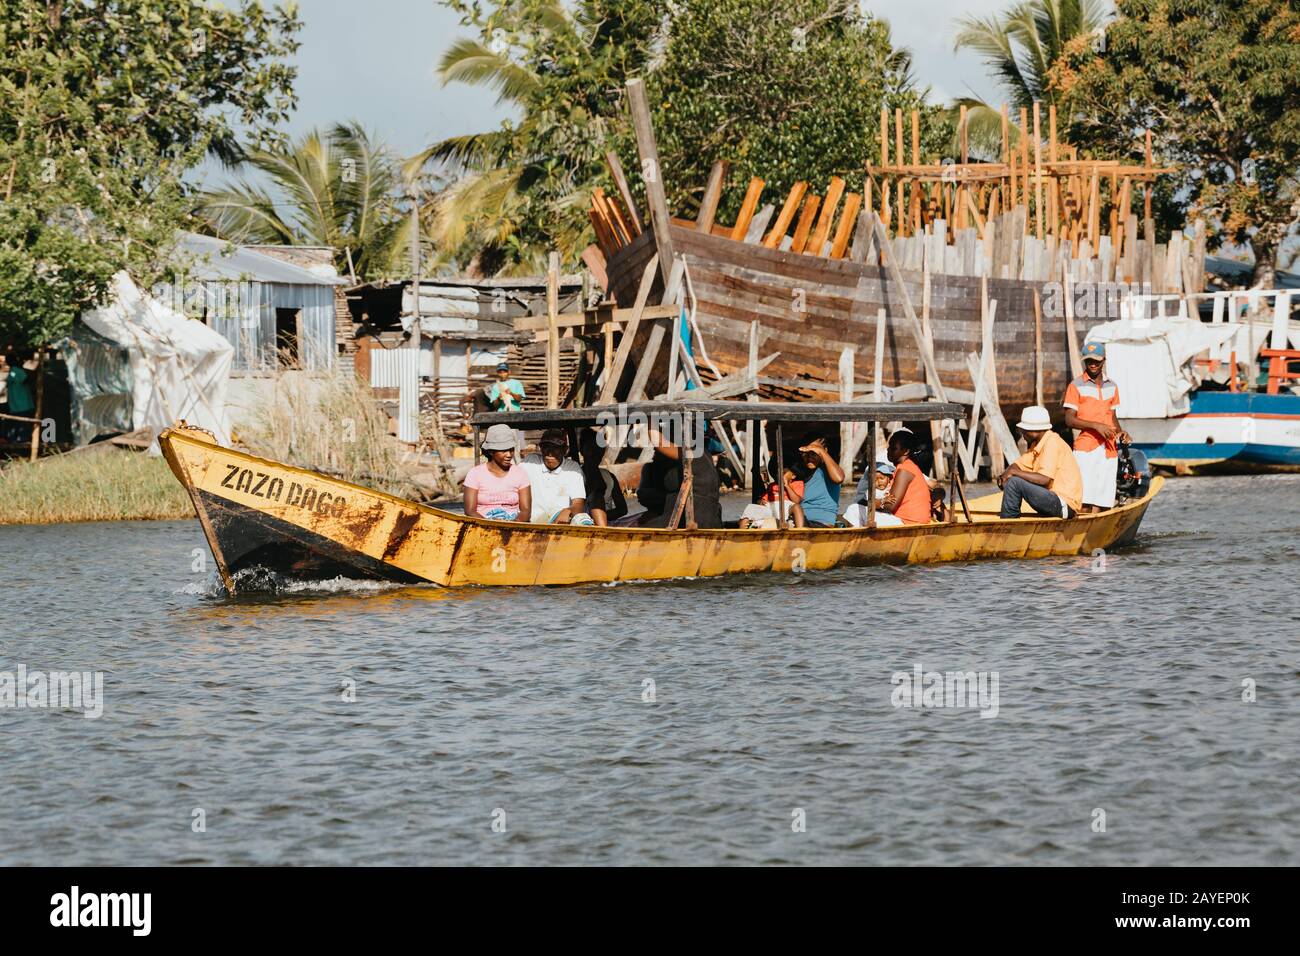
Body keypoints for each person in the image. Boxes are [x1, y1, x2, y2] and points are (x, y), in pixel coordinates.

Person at [1063, 341, 1128, 512]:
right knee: (1084, 500)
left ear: (1104, 360)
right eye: (1089, 360)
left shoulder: (1112, 386)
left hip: (1109, 448)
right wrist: (1095, 426)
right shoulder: (1075, 385)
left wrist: (1121, 433)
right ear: (1084, 361)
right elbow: (1069, 420)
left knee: (1103, 500)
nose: (1093, 364)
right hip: (1086, 448)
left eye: (1096, 361)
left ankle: (1097, 530)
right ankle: (1083, 531)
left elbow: (1112, 416)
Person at [997, 405, 1083, 519]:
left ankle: (1008, 522)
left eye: (1024, 431)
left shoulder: (1052, 443)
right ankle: (1009, 519)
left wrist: (1014, 473)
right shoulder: (1036, 444)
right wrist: (1004, 476)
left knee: (1015, 483)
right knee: (1013, 480)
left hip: (1065, 505)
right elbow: (1017, 465)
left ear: (1033, 431)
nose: (1022, 435)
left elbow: (1044, 480)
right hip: (1053, 499)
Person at [636, 428, 722, 529]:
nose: (655, 451)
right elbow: (644, 496)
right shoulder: (702, 454)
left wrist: (650, 415)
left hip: (695, 518)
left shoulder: (692, 454)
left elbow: (658, 441)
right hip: (706, 518)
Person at [522, 429, 593, 525]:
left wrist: (568, 511)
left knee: (582, 519)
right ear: (541, 448)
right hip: (532, 521)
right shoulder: (530, 462)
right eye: (546, 447)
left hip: (561, 521)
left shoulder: (572, 468)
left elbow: (578, 505)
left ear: (565, 450)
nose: (550, 452)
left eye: (555, 447)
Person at [463, 424, 531, 522]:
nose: (509, 454)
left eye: (511, 450)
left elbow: (526, 511)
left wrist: (512, 526)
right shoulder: (475, 474)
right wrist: (491, 526)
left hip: (514, 524)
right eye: (503, 450)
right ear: (491, 452)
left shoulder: (520, 473)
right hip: (482, 525)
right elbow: (470, 511)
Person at [876, 429, 933, 527]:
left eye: (893, 448)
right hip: (908, 520)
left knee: (854, 510)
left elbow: (890, 506)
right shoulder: (907, 467)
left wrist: (873, 502)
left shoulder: (905, 469)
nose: (888, 450)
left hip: (908, 522)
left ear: (906, 451)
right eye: (889, 446)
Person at [577, 428, 627, 526]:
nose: (595, 452)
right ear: (582, 450)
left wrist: (600, 516)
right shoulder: (575, 476)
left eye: (598, 448)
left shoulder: (609, 477)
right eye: (590, 448)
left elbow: (622, 509)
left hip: (605, 522)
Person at [795, 436, 844, 527]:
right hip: (799, 520)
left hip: (820, 524)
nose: (809, 457)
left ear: (825, 450)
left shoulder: (827, 470)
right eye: (806, 453)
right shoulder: (799, 472)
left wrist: (821, 451)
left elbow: (839, 478)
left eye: (814, 453)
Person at [739, 464, 805, 529]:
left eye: (783, 473)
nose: (779, 475)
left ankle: (800, 530)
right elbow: (764, 499)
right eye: (778, 473)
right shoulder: (772, 485)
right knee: (750, 508)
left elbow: (797, 501)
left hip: (787, 506)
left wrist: (786, 485)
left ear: (793, 476)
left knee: (797, 507)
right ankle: (741, 532)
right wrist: (761, 502)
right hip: (770, 507)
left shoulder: (797, 483)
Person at [841, 459, 894, 528]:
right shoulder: (872, 491)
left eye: (882, 478)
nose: (879, 482)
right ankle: (856, 528)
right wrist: (883, 501)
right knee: (852, 509)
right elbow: (871, 502)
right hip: (873, 513)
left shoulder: (891, 488)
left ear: (889, 478)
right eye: (875, 480)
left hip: (886, 516)